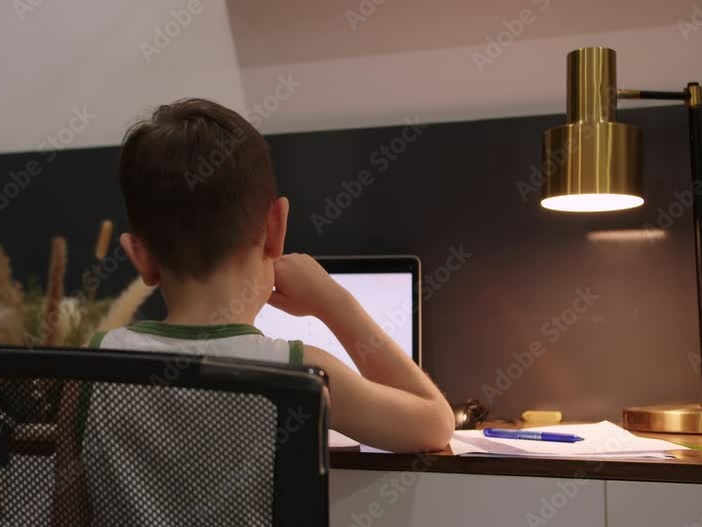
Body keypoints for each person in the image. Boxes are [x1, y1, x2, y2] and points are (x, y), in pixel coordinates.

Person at [51, 98, 453, 524]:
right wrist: (333, 302)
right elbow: (435, 424)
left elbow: (67, 519)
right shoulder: (302, 376)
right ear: (276, 227)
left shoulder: (92, 370)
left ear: (140, 257)